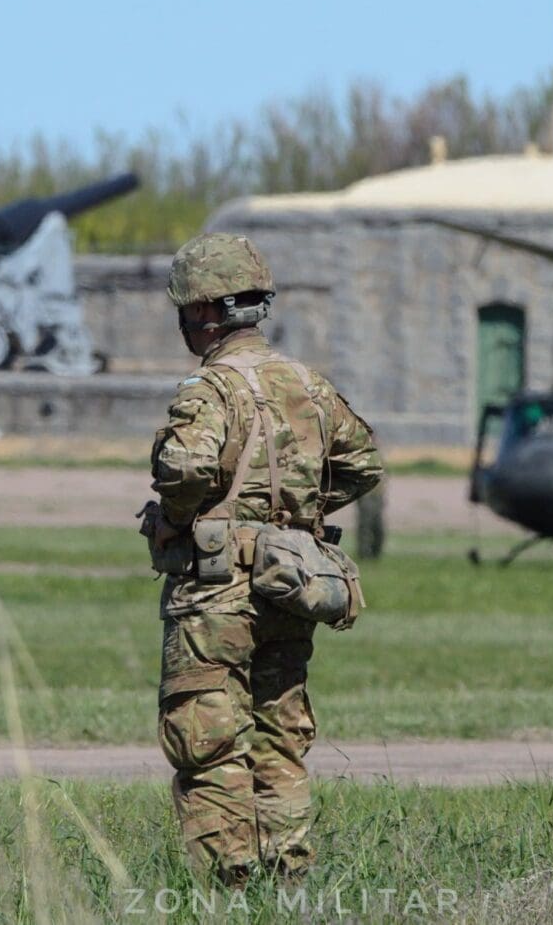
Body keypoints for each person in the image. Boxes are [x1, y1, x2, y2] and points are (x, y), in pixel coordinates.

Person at [145, 232, 384, 885]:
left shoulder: (210, 388)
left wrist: (179, 514)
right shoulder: (306, 384)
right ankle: (290, 885)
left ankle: (229, 888)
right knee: (281, 739)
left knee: (208, 734)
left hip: (217, 594)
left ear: (202, 312)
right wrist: (300, 512)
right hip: (289, 581)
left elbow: (185, 467)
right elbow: (363, 463)